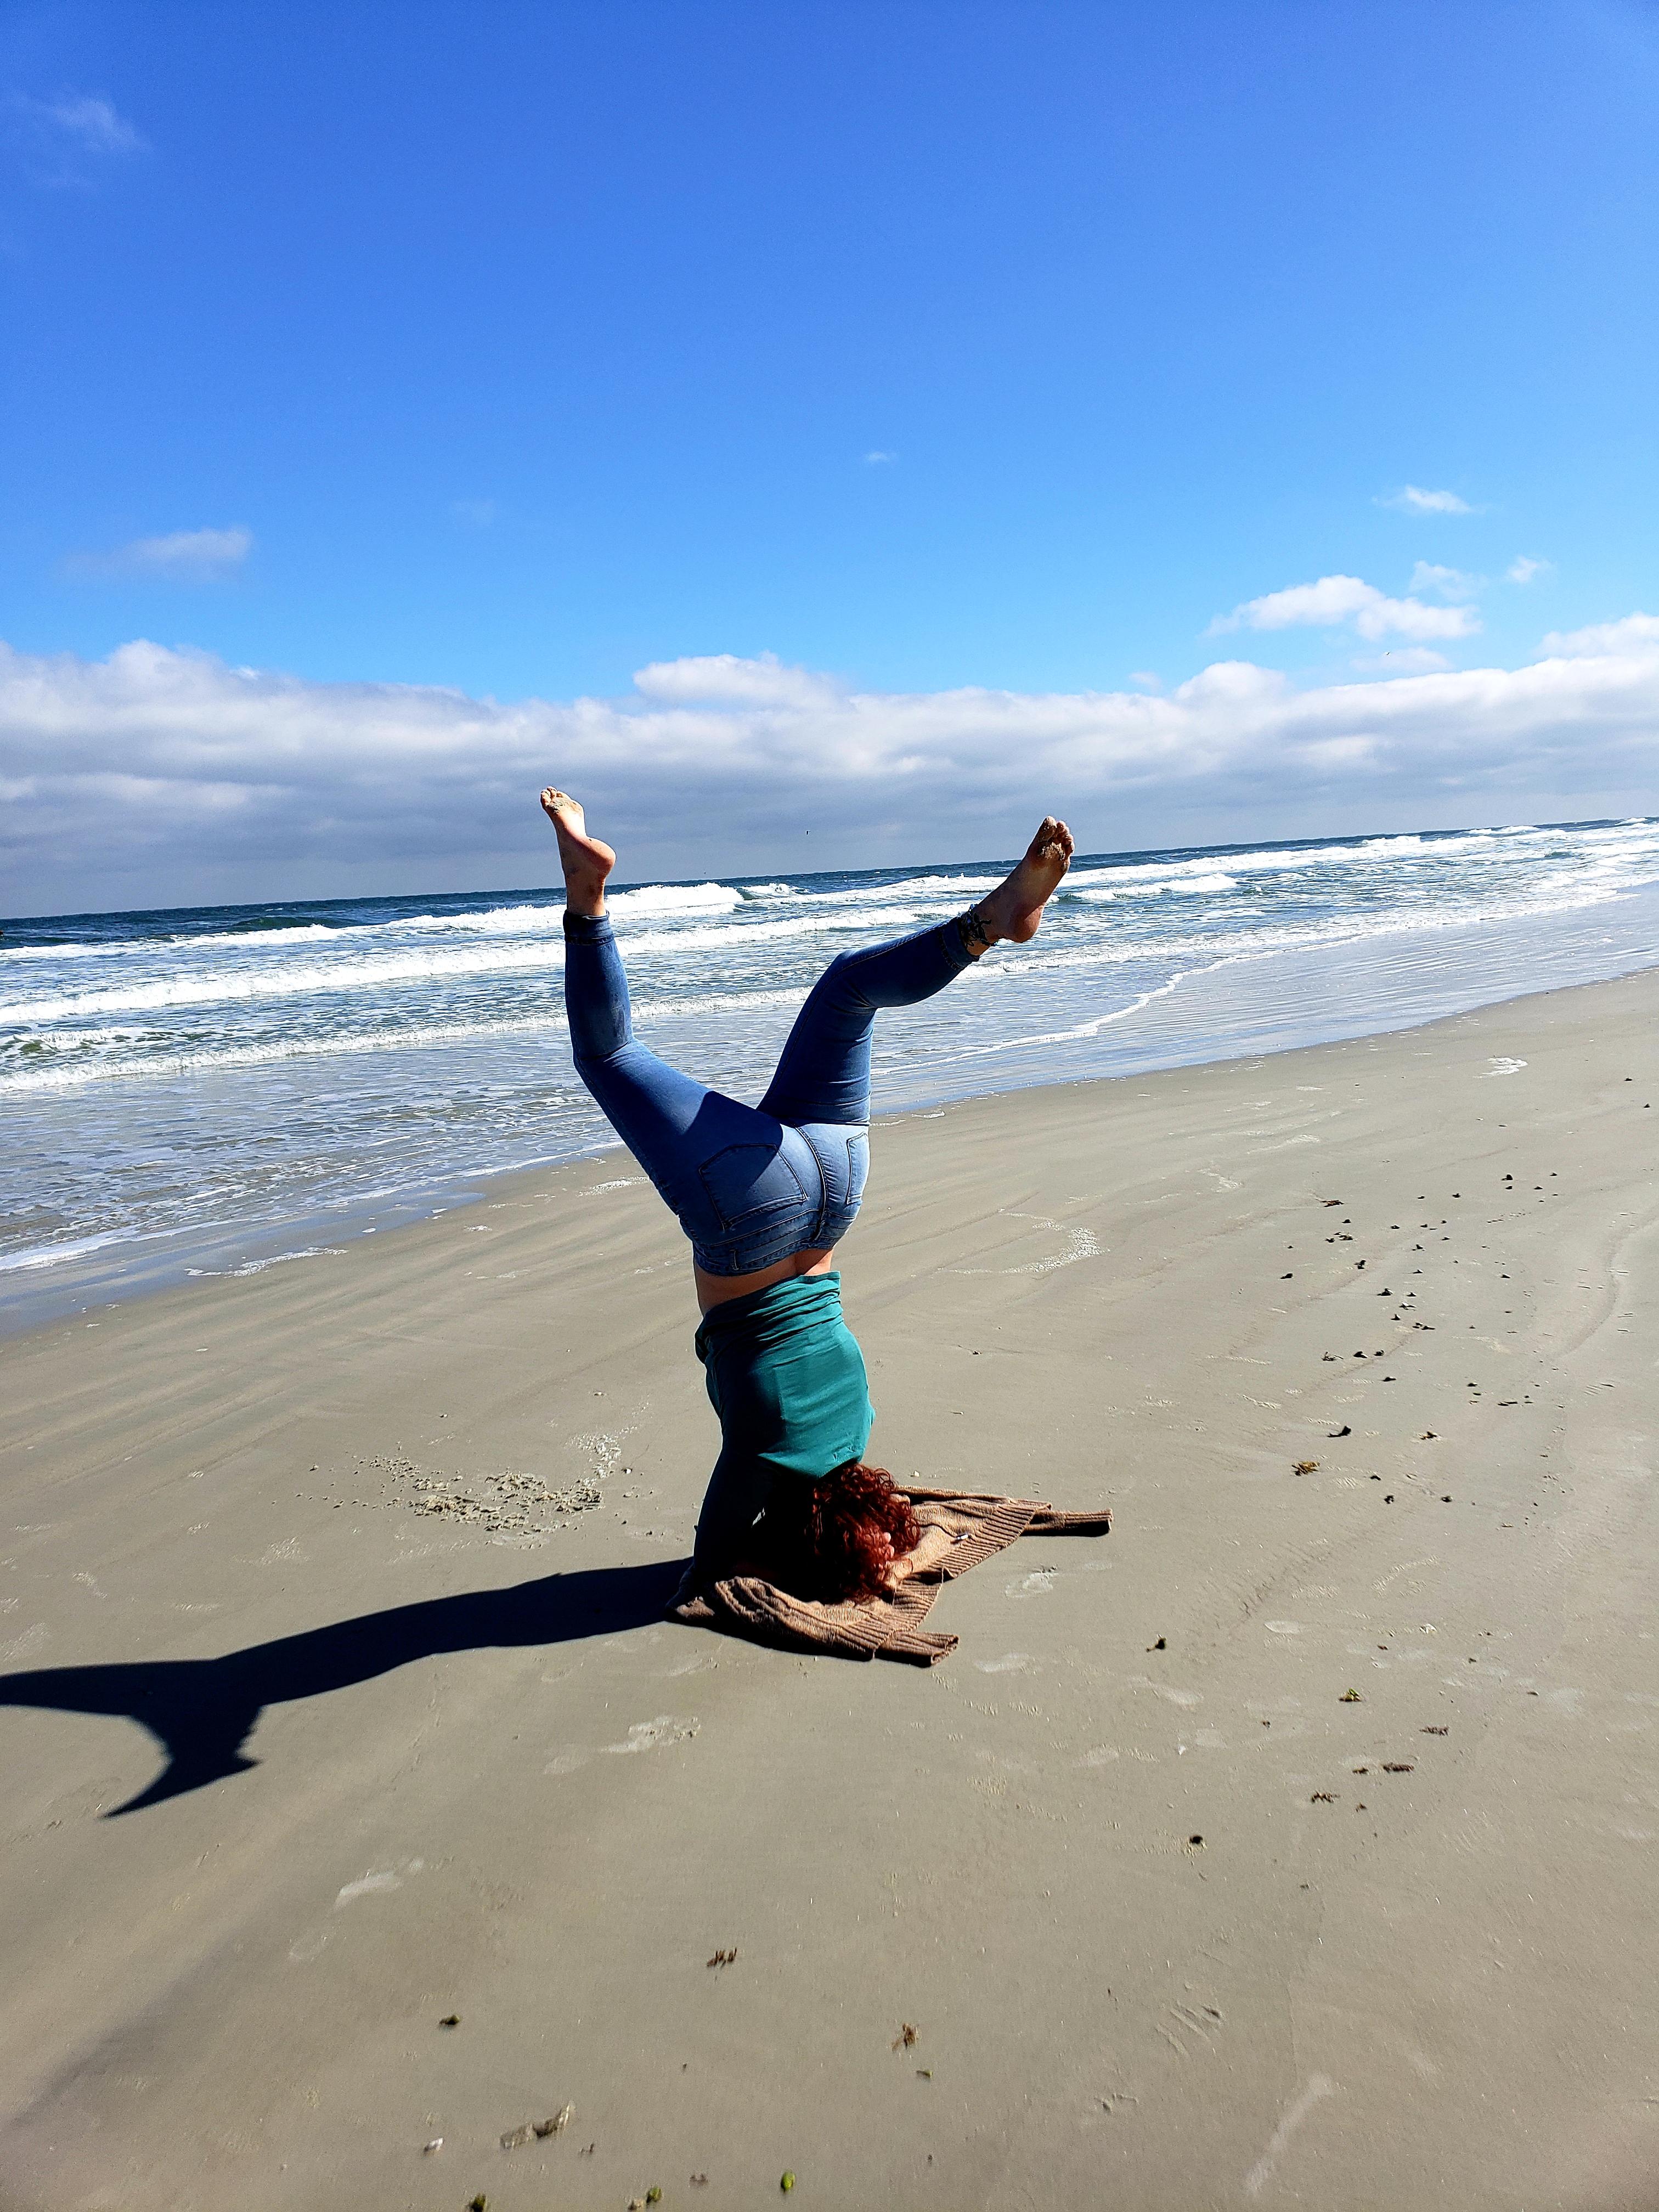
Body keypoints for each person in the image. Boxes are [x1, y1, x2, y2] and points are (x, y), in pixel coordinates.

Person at [541, 788, 1074, 1604]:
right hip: (749, 1212)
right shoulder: (760, 1458)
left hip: (835, 1184)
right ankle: (588, 895)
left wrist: (885, 1539)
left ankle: (986, 925)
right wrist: (746, 1563)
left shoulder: (856, 1428)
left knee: (848, 992)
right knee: (609, 1056)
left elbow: (841, 1498)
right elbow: (710, 1561)